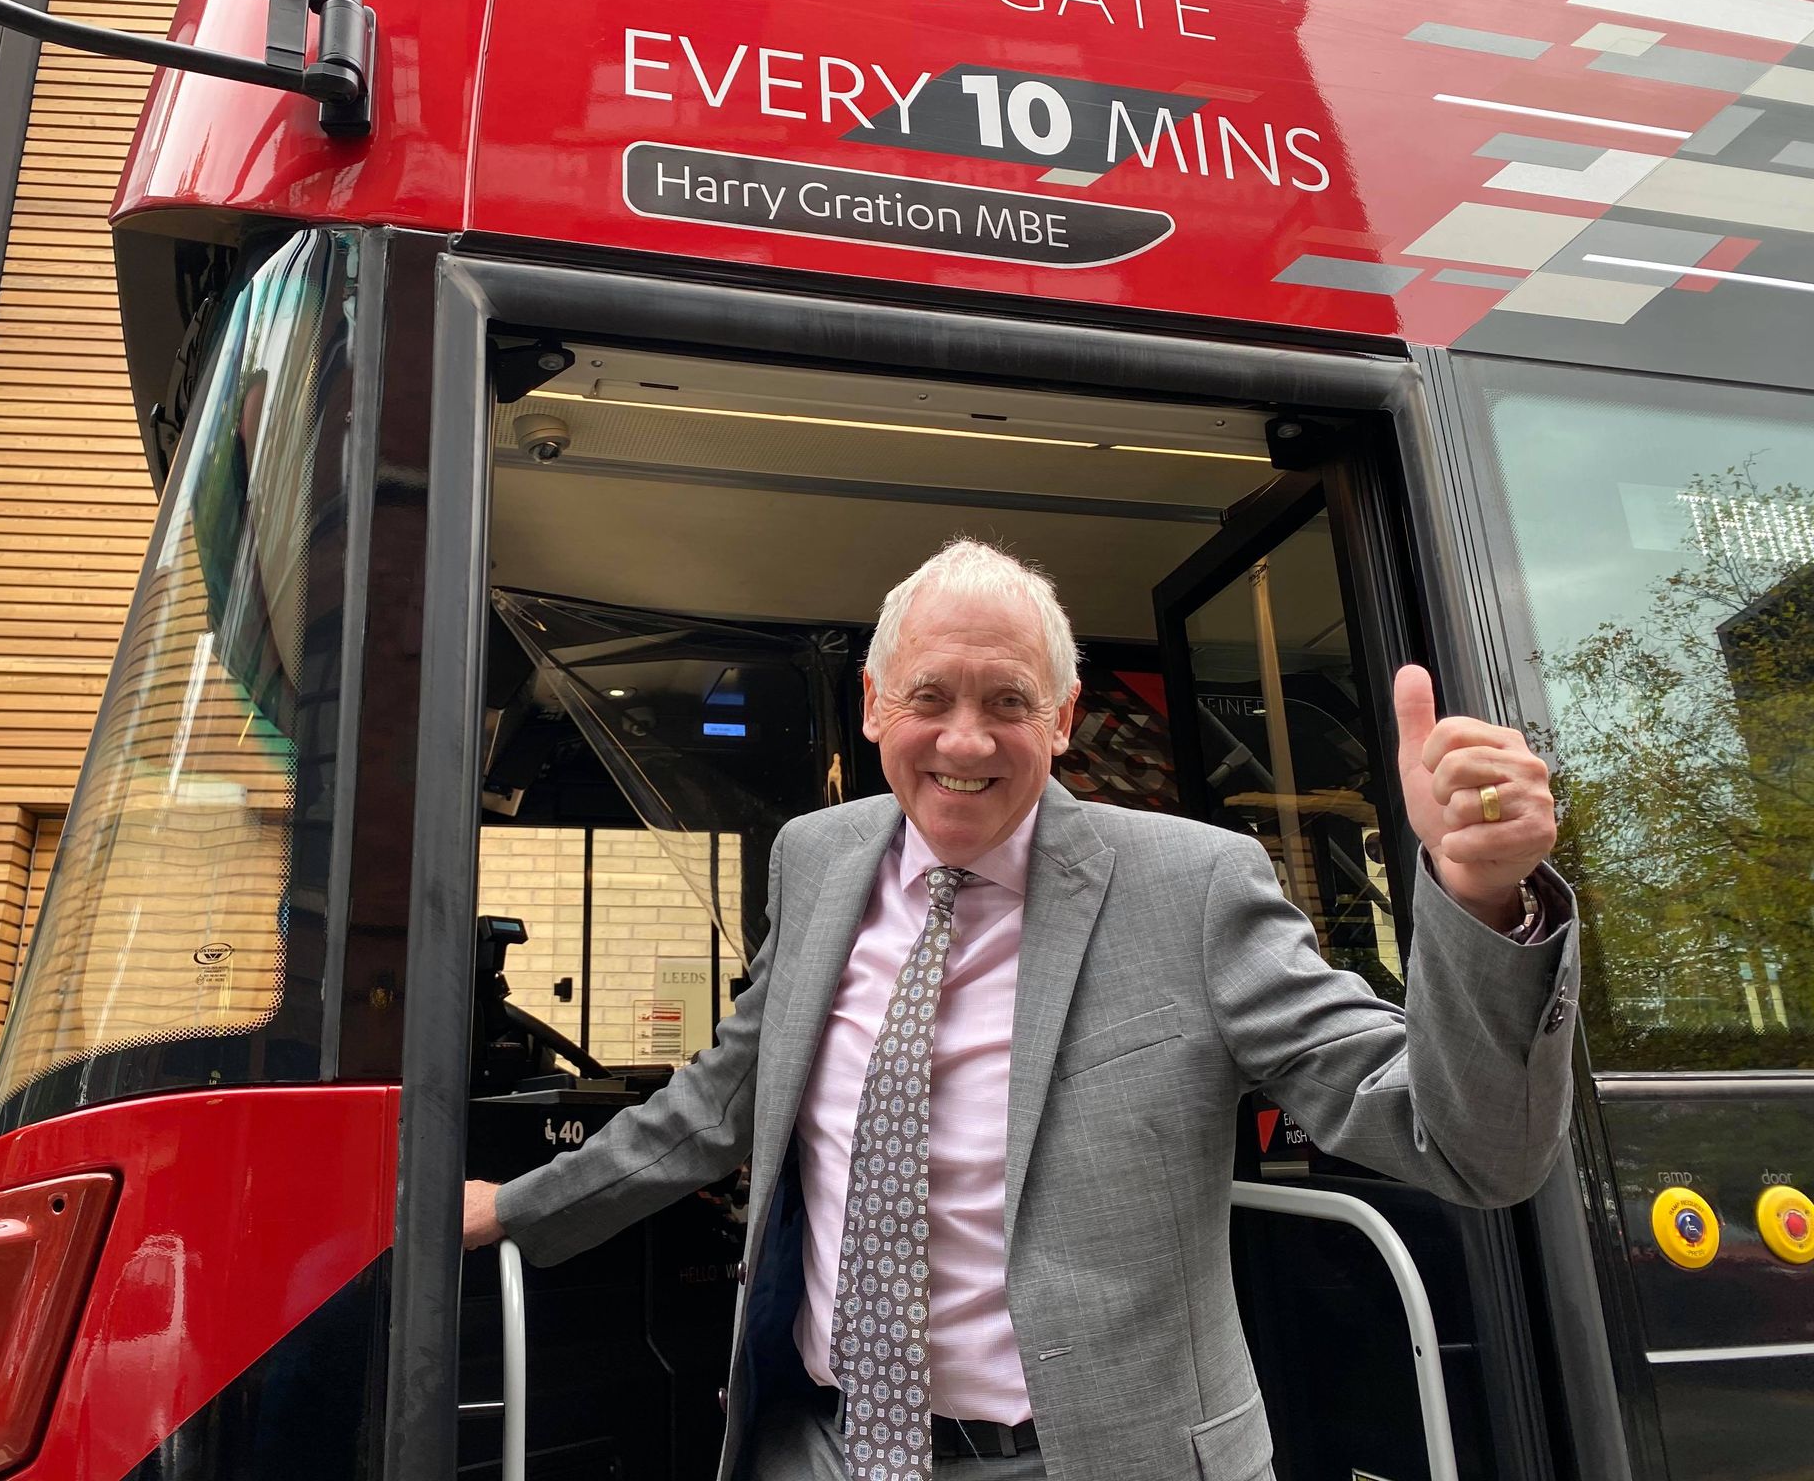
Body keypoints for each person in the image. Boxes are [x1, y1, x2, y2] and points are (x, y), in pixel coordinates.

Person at [463, 539, 1576, 1481]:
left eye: (1006, 703)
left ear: (1062, 719)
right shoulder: (816, 859)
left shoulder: (1192, 887)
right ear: (870, 705)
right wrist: (515, 1207)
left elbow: (1465, 1151)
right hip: (822, 1445)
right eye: (928, 698)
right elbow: (718, 1101)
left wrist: (1482, 902)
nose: (962, 741)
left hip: (1086, 1456)